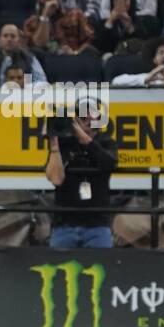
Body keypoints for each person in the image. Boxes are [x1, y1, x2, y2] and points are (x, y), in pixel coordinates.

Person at [44, 96, 120, 249]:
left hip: (97, 225)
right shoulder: (65, 144)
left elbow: (109, 163)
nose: (86, 119)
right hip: (65, 224)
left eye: (90, 114)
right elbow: (56, 178)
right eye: (81, 115)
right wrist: (53, 141)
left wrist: (84, 139)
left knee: (101, 268)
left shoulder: (106, 142)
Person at [0, 23, 47, 87]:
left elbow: (42, 81)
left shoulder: (29, 59)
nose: (9, 39)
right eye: (5, 36)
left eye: (13, 36)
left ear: (19, 40)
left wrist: (27, 87)